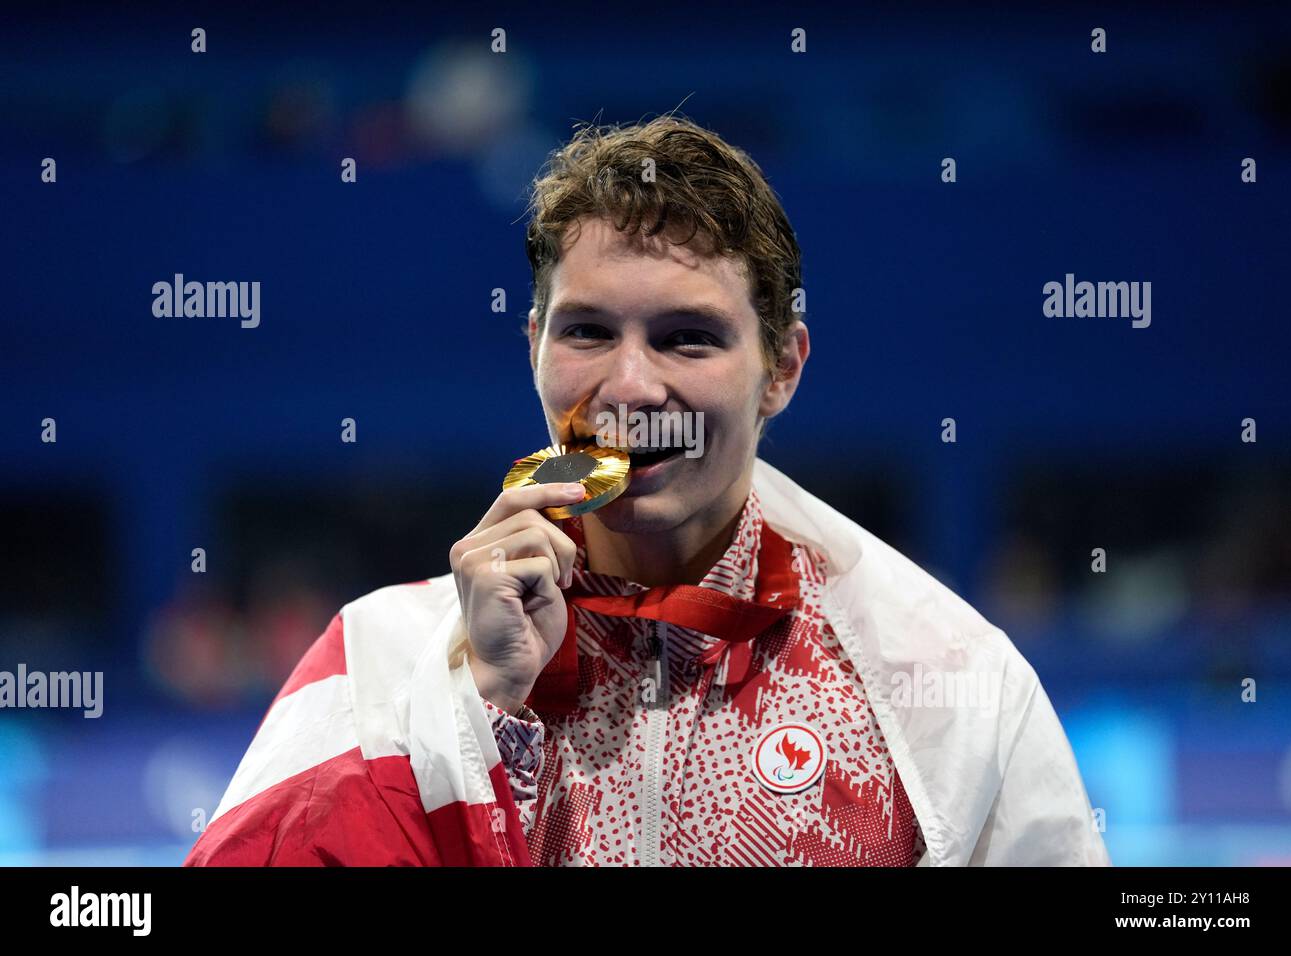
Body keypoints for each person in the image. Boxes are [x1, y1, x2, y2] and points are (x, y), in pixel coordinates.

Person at [185, 114, 1110, 867]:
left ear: (782, 367)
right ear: (535, 346)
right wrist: (484, 707)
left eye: (687, 337)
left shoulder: (940, 679)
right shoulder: (382, 664)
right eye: (588, 332)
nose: (630, 387)